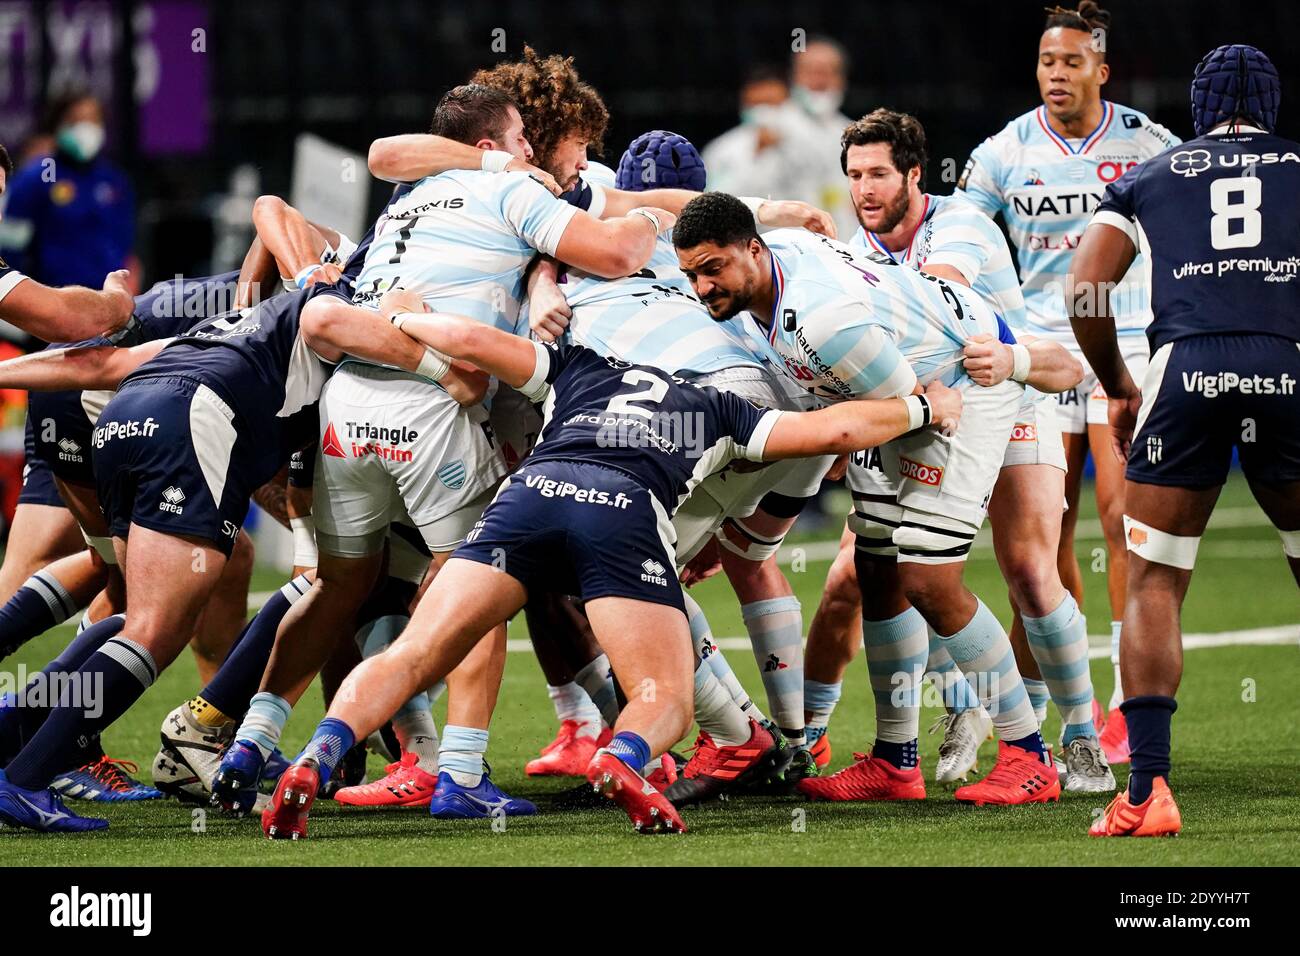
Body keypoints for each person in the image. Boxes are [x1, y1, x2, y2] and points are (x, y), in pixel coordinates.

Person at [261, 304, 962, 838]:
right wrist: (926, 405)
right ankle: (621, 754)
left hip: (530, 497)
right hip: (621, 514)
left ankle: (318, 753)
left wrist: (397, 314)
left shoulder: (582, 366)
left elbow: (470, 340)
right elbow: (835, 432)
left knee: (414, 653)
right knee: (664, 693)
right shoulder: (717, 405)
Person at [675, 193, 1060, 807]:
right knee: (876, 567)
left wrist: (833, 450)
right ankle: (895, 762)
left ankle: (1028, 755)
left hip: (959, 384)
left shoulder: (825, 322)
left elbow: (911, 411)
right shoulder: (770, 282)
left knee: (929, 579)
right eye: (691, 273)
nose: (702, 287)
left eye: (712, 268)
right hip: (900, 386)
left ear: (754, 249)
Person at [799, 108, 1112, 792]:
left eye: (878, 173)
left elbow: (940, 300)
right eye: (853, 176)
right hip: (934, 413)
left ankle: (1080, 739)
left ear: (915, 173)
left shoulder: (960, 225)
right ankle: (845, 741)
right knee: (865, 574)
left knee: (1029, 569)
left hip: (1011, 391)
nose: (864, 190)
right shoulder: (859, 247)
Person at [1070, 45, 1299, 837]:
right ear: (1271, 106)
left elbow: (1087, 289)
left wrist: (1118, 384)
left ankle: (1147, 793)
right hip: (1290, 362)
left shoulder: (1153, 174)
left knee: (1154, 582)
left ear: (1198, 108)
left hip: (1187, 368)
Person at [956, 1, 1180, 765]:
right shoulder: (1003, 152)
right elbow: (958, 236)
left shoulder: (1149, 145)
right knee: (1042, 532)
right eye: (1048, 62)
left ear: (1101, 70)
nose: (1057, 73)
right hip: (1043, 353)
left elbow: (1187, 227)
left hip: (1129, 344)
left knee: (1124, 518)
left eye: (1072, 62)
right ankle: (1051, 707)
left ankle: (1123, 703)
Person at [0, 93, 135, 295]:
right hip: (53, 304)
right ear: (59, 125)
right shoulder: (37, 177)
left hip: (108, 304)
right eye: (77, 120)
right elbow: (10, 250)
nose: (86, 128)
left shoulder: (114, 180)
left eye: (93, 119)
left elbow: (127, 248)